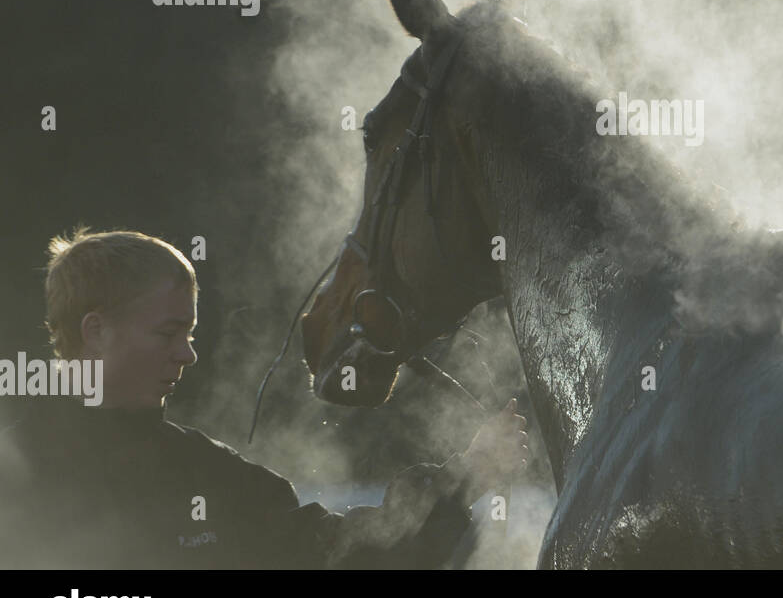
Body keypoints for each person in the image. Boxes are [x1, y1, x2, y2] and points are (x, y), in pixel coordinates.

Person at [0, 227, 529, 569]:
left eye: (190, 334)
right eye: (167, 334)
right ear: (97, 332)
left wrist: (465, 479)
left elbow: (343, 556)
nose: (188, 356)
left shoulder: (210, 476)